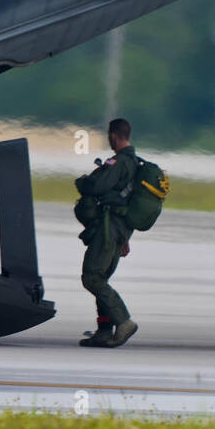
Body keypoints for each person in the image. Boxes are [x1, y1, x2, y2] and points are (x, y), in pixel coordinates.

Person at [74, 118, 139, 348]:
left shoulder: (118, 162)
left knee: (92, 277)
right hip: (120, 230)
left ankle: (123, 321)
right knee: (102, 278)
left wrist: (84, 183)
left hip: (108, 228)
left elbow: (97, 186)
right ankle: (104, 330)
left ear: (113, 136)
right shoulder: (134, 164)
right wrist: (126, 239)